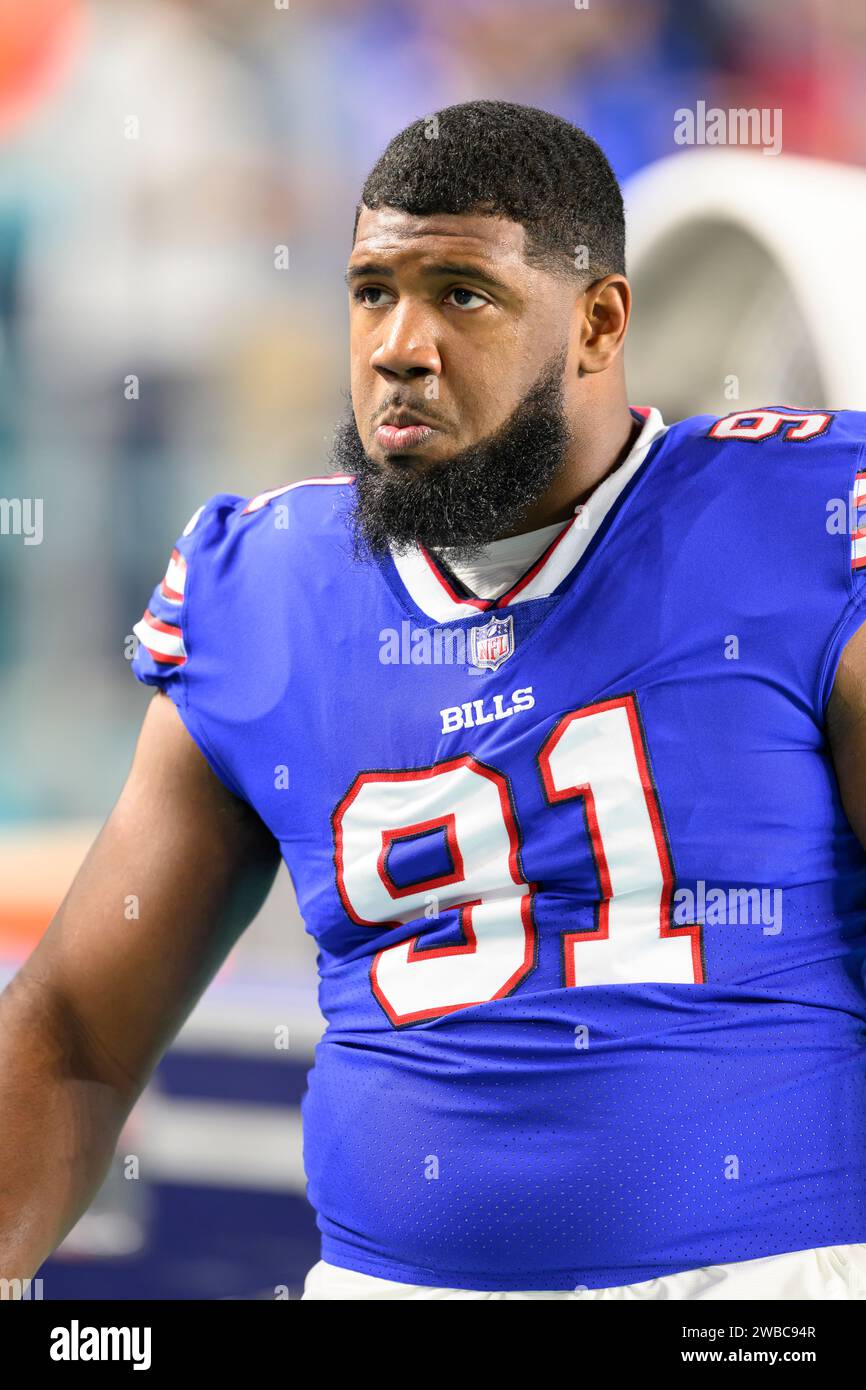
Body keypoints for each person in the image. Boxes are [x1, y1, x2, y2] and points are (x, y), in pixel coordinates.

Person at [2, 100, 866, 1301]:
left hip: (758, 1292)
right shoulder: (268, 592)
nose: (397, 346)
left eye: (461, 292)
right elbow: (79, 1032)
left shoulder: (806, 522)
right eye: (371, 290)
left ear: (596, 322)